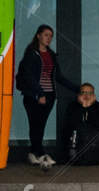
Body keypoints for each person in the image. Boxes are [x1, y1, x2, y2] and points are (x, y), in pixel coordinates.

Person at [15, 23, 78, 168]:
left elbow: (58, 77)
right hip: (34, 96)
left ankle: (33, 153)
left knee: (40, 126)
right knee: (35, 125)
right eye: (46, 35)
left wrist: (77, 89)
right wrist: (40, 94)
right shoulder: (31, 54)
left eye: (51, 36)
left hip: (49, 96)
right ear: (38, 36)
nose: (49, 38)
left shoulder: (51, 55)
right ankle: (41, 154)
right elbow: (29, 77)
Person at [58, 82, 99, 166]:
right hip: (76, 135)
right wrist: (83, 106)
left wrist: (89, 107)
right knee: (66, 129)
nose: (86, 95)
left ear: (94, 95)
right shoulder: (72, 106)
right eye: (83, 92)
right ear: (79, 95)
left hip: (92, 136)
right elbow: (72, 123)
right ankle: (67, 155)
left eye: (89, 93)